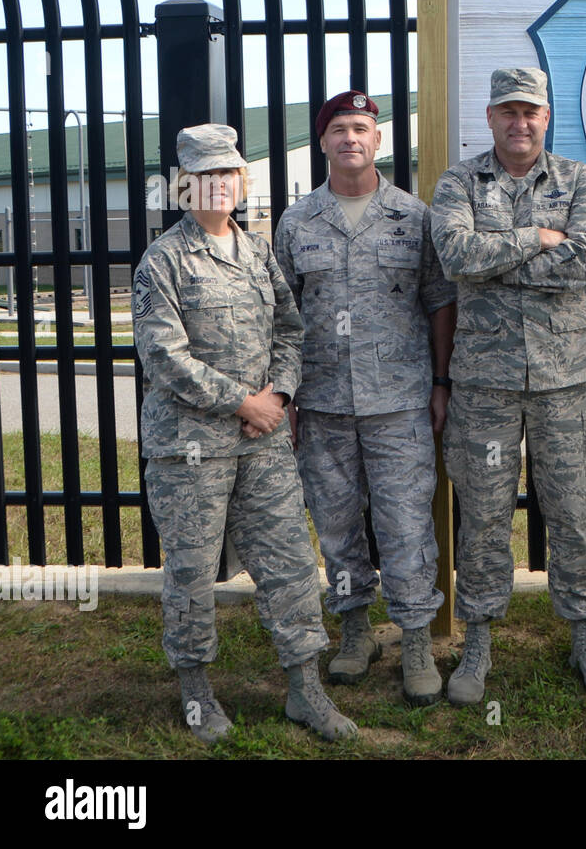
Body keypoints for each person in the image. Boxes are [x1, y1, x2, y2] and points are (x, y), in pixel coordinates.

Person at [132, 123, 356, 742]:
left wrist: (278, 395)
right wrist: (242, 403)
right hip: (189, 448)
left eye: (228, 173)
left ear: (242, 180)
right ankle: (197, 692)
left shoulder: (258, 252)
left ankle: (304, 689)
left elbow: (292, 329)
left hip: (262, 443)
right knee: (192, 573)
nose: (218, 186)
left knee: (288, 562)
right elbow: (164, 356)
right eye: (205, 176)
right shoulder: (163, 261)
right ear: (184, 185)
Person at [430, 66, 586, 704]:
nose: (520, 122)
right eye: (508, 111)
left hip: (563, 383)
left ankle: (585, 634)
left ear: (546, 117)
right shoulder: (459, 181)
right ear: (489, 118)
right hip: (484, 386)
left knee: (570, 510)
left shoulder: (580, 180)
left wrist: (497, 256)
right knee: (483, 515)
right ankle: (478, 639)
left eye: (530, 111)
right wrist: (537, 238)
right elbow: (455, 256)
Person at [274, 91, 457, 705]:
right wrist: (288, 394)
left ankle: (414, 641)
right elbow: (283, 317)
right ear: (322, 141)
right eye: (338, 130)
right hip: (322, 403)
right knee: (336, 526)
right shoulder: (297, 223)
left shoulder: (415, 217)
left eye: (361, 128)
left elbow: (438, 302)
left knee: (406, 525)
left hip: (400, 402)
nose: (350, 138)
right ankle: (355, 631)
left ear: (378, 140)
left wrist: (439, 382)